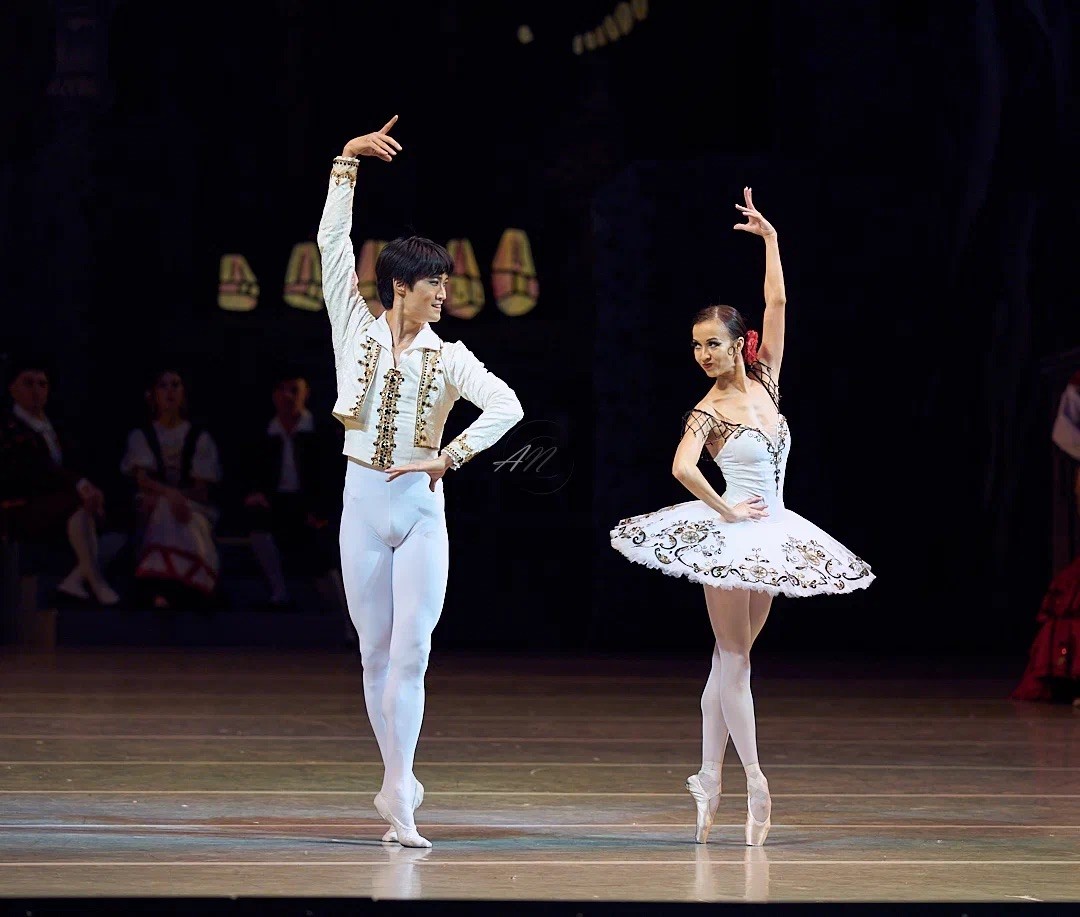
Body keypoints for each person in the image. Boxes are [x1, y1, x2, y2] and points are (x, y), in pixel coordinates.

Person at [609, 188, 875, 846]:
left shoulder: (768, 385)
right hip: (730, 537)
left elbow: (779, 304)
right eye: (695, 346)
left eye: (711, 343)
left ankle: (707, 780)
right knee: (734, 660)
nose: (702, 354)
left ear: (738, 343)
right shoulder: (708, 409)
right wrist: (725, 508)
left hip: (775, 532)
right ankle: (754, 782)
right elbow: (681, 466)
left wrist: (771, 241)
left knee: (730, 664)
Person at [317, 115, 524, 848]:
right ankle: (396, 779)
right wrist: (347, 162)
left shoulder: (451, 355)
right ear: (402, 285)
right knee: (375, 652)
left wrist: (450, 456)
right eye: (434, 281)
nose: (444, 291)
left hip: (420, 509)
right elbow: (330, 248)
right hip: (360, 500)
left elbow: (508, 405)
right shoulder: (354, 326)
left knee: (413, 652)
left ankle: (399, 793)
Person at [0, 356, 122, 605]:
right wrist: (81, 487)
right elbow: (33, 470)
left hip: (60, 503)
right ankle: (96, 582)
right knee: (79, 505)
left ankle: (76, 579)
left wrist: (90, 490)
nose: (36, 390)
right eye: (28, 383)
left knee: (118, 522)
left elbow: (73, 465)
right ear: (12, 388)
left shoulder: (56, 427)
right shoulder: (8, 427)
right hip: (22, 506)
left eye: (42, 384)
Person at [240, 366, 348, 620]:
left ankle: (346, 621)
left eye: (294, 390)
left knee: (323, 551)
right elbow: (251, 474)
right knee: (257, 521)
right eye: (282, 390)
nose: (288, 396)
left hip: (311, 506)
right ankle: (279, 593)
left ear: (305, 393)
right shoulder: (264, 433)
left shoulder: (323, 433)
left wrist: (321, 511)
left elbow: (335, 479)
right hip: (278, 504)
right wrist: (256, 493)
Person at [120, 367, 224, 609]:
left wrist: (178, 498)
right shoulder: (142, 434)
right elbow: (142, 479)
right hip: (151, 502)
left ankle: (186, 583)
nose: (170, 391)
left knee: (181, 517)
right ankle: (162, 583)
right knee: (162, 510)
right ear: (153, 394)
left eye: (175, 385)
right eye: (163, 386)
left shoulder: (199, 437)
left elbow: (201, 489)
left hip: (191, 505)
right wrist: (169, 495)